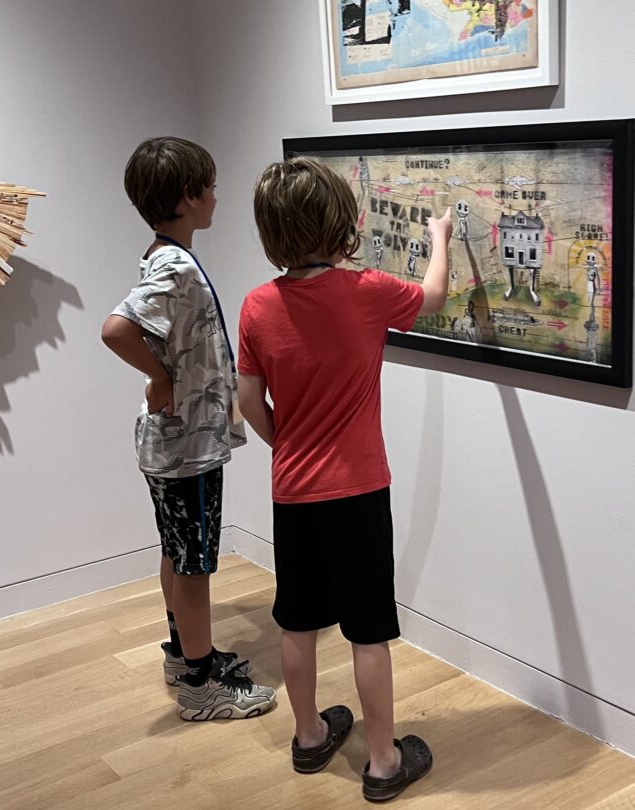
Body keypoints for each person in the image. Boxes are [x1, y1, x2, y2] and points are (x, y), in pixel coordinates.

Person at [237, 156, 452, 801]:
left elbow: (247, 400)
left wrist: (288, 446)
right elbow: (434, 298)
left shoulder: (257, 305)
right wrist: (440, 237)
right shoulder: (368, 292)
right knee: (369, 629)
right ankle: (383, 762)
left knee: (297, 621)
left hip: (292, 490)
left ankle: (308, 737)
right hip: (358, 490)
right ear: (341, 224)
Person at [102, 136, 275, 721]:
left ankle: (185, 654)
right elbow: (116, 328)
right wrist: (161, 375)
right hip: (187, 446)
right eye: (211, 188)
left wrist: (164, 374)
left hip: (170, 442)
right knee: (196, 564)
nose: (216, 198)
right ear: (188, 197)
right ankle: (202, 688)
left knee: (177, 553)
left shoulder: (161, 254)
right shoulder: (175, 265)